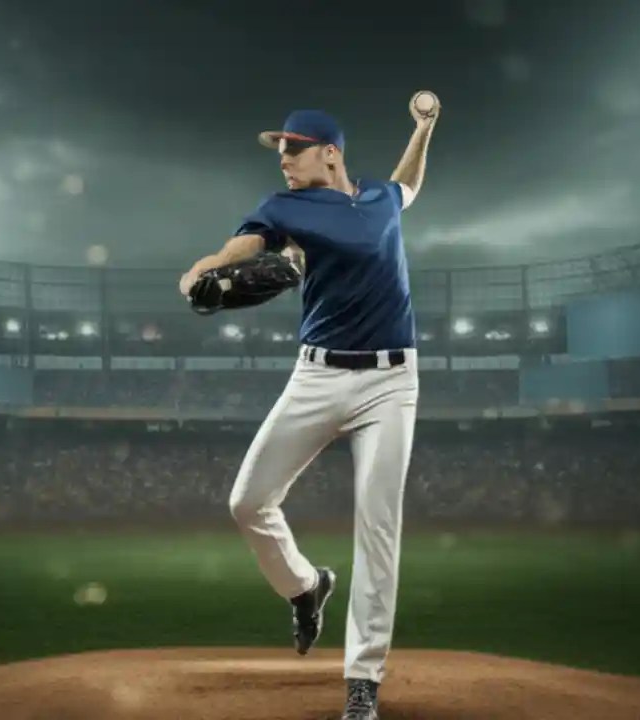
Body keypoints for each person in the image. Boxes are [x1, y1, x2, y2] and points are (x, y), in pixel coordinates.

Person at [178, 93, 439, 720]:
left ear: (330, 154)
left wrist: (423, 129)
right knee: (247, 501)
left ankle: (362, 684)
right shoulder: (285, 208)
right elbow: (238, 249)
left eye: (293, 149)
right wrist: (199, 274)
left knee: (378, 530)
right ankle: (305, 586)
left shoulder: (378, 198)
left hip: (391, 382)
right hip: (316, 376)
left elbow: (406, 185)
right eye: (280, 150)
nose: (284, 159)